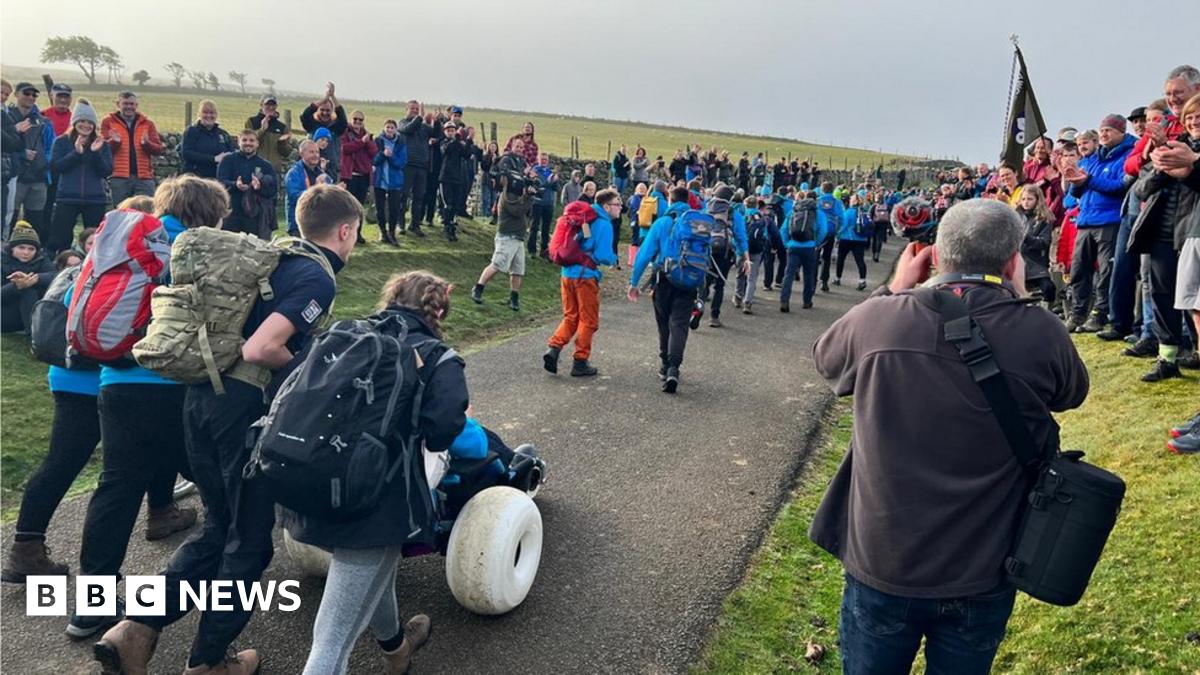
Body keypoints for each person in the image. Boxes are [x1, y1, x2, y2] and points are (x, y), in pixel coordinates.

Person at [810, 199, 1090, 675]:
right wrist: (1017, 296)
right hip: (981, 567)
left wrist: (896, 287)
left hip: (884, 559)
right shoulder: (1040, 332)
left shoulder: (880, 320)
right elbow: (1071, 392)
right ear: (1011, 260)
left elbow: (827, 359)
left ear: (935, 256)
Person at [94, 183, 361, 675]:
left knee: (219, 528)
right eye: (354, 234)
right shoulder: (316, 279)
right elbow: (263, 349)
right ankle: (209, 661)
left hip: (200, 401)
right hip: (243, 414)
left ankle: (133, 629)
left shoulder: (272, 257)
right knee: (248, 542)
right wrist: (312, 373)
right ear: (345, 230)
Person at [69, 179, 230, 639]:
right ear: (206, 216)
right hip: (171, 387)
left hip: (115, 382)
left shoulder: (118, 244)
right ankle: (231, 571)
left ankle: (90, 606)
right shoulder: (189, 249)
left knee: (115, 488)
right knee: (218, 478)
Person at [291, 271, 460, 674]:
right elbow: (442, 432)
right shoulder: (438, 357)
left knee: (371, 570)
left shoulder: (345, 334)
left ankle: (396, 647)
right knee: (331, 640)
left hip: (311, 482)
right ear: (438, 309)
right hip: (373, 500)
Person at [1128, 93, 1200, 383]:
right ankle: (1167, 358)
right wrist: (1162, 168)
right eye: (1190, 117)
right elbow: (1140, 189)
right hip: (1161, 233)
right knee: (1161, 295)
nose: (1194, 121)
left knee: (1192, 300)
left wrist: (1189, 168)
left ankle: (1194, 350)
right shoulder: (1173, 145)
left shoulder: (1191, 154)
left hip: (1191, 235)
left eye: (1199, 116)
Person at [1064, 114, 1136, 333]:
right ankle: (1078, 313)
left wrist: (1088, 180)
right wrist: (1075, 181)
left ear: (1121, 131)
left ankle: (1100, 314)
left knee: (1106, 272)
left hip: (1110, 220)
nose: (1104, 134)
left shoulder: (1126, 156)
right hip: (1085, 220)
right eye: (1102, 130)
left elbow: (1119, 187)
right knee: (1078, 270)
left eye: (1109, 130)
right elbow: (1074, 195)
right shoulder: (1092, 159)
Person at [627, 186, 697, 392]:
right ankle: (675, 368)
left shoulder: (662, 223)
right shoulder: (697, 223)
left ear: (670, 199)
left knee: (664, 322)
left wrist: (634, 283)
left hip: (664, 279)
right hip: (689, 279)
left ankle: (665, 364)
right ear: (689, 200)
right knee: (680, 324)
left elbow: (644, 254)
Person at [543, 188, 619, 377]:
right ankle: (580, 361)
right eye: (618, 204)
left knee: (571, 316)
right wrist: (613, 258)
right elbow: (602, 255)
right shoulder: (603, 224)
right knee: (589, 320)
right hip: (585, 277)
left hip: (567, 273)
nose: (621, 208)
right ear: (606, 206)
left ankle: (554, 348)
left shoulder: (584, 218)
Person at [47, 100, 111, 254]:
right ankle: (62, 265)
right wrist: (76, 153)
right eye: (81, 121)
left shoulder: (101, 144)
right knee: (60, 238)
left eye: (90, 122)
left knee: (96, 239)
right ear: (74, 122)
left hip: (95, 198)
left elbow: (106, 171)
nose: (86, 125)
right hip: (67, 197)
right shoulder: (61, 142)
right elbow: (56, 167)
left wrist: (95, 153)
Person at [472, 159, 535, 310]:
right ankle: (478, 288)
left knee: (518, 269)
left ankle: (514, 298)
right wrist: (529, 198)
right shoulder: (507, 196)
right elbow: (518, 211)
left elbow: (526, 211)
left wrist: (527, 197)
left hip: (518, 237)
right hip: (507, 236)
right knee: (497, 264)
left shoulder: (516, 196)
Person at [8, 82, 55, 237]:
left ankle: (33, 252)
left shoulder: (43, 121)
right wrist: (22, 154)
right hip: (14, 176)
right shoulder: (6, 117)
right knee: (10, 217)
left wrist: (44, 163)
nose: (30, 97)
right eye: (26, 93)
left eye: (34, 95)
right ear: (16, 94)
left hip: (38, 178)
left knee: (35, 220)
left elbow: (51, 147)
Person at [101, 91, 165, 205]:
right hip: (119, 177)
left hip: (144, 177)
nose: (129, 107)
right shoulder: (108, 122)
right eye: (125, 104)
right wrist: (115, 142)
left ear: (136, 105)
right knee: (121, 213)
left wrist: (147, 144)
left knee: (147, 211)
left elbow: (158, 149)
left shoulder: (148, 123)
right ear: (118, 104)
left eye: (131, 104)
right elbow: (102, 150)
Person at [702, 185, 750, 327]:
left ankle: (696, 311)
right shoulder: (734, 214)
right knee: (719, 286)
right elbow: (741, 237)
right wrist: (746, 258)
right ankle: (714, 316)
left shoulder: (706, 208)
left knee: (704, 284)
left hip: (706, 251)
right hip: (724, 253)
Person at [217, 130, 279, 239]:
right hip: (231, 213)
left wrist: (259, 187)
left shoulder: (265, 165)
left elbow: (273, 190)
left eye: (251, 140)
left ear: (257, 143)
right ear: (238, 142)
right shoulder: (227, 160)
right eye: (244, 140)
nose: (248, 143)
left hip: (255, 217)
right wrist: (235, 185)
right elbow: (220, 183)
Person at [1, 222, 56, 334]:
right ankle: (36, 336)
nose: (26, 252)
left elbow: (55, 276)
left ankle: (36, 333)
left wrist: (36, 279)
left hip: (32, 310)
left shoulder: (42, 259)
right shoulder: (2, 261)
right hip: (5, 312)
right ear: (12, 248)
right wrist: (16, 285)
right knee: (27, 291)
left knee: (31, 290)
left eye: (31, 249)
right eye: (21, 248)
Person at [779, 192, 828, 312]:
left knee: (788, 274)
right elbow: (824, 230)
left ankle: (784, 301)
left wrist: (787, 243)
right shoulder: (818, 213)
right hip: (809, 246)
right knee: (809, 274)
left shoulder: (794, 212)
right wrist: (816, 243)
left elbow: (783, 230)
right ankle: (807, 301)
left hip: (793, 246)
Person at [398, 101, 439, 237]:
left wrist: (437, 121)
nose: (415, 111)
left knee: (419, 197)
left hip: (422, 166)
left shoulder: (424, 127)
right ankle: (400, 223)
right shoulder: (402, 123)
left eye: (417, 109)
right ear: (406, 109)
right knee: (403, 195)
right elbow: (410, 129)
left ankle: (415, 225)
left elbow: (436, 134)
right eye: (413, 108)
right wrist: (420, 117)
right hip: (407, 164)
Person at [737, 195, 781, 314]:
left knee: (740, 274)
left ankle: (738, 296)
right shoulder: (764, 218)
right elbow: (774, 234)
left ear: (745, 205)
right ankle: (748, 302)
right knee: (752, 276)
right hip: (757, 249)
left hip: (742, 249)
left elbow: (737, 233)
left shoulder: (742, 216)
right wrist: (774, 247)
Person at [1013, 184, 1056, 306]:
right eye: (1023, 199)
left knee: (1048, 288)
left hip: (1036, 263)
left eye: (1030, 199)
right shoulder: (1015, 216)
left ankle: (1048, 313)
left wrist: (1027, 238)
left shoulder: (1044, 219)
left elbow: (1044, 243)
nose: (1026, 202)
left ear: (1038, 200)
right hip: (1017, 263)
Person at [300, 82, 348, 180]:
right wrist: (325, 98)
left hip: (332, 171)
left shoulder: (336, 127)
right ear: (317, 110)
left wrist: (333, 97)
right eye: (322, 110)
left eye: (328, 110)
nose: (325, 113)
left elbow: (343, 119)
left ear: (332, 111)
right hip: (312, 169)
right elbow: (305, 115)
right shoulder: (312, 125)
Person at [286, 139, 333, 236]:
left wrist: (337, 190)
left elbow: (329, 194)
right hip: (299, 223)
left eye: (317, 152)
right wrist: (316, 188)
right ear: (302, 153)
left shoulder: (321, 173)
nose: (315, 155)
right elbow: (295, 196)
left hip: (318, 223)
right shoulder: (294, 173)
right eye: (311, 152)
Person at [438, 122, 475, 241]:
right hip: (446, 178)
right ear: (445, 132)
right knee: (447, 204)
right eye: (448, 130)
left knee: (455, 205)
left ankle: (452, 227)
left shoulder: (458, 143)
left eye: (453, 130)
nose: (451, 132)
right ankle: (447, 226)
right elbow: (446, 150)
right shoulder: (444, 142)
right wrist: (457, 139)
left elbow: (467, 154)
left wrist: (469, 140)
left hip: (457, 178)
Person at [179, 100, 234, 179]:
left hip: (217, 179)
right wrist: (213, 159)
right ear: (199, 114)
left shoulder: (223, 134)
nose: (208, 115)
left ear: (216, 115)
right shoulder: (191, 131)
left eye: (212, 113)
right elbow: (187, 153)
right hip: (194, 178)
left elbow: (231, 153)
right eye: (205, 112)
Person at [373, 119, 407, 246]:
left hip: (395, 181)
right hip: (379, 181)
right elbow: (374, 160)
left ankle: (392, 233)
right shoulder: (378, 141)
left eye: (392, 127)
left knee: (394, 209)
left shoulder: (401, 143)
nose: (389, 130)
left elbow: (401, 163)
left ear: (396, 129)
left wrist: (391, 156)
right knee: (380, 208)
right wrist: (383, 154)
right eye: (387, 127)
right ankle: (382, 231)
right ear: (384, 128)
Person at [245, 95, 293, 176]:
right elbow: (249, 144)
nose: (271, 107)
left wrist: (282, 143)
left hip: (274, 170)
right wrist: (262, 130)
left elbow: (286, 153)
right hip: (255, 168)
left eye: (273, 105)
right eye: (267, 104)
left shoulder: (282, 127)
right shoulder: (252, 122)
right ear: (261, 105)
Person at [339, 110, 375, 210]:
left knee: (359, 207)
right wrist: (362, 142)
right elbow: (345, 149)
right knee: (348, 206)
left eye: (360, 119)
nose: (358, 121)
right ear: (350, 120)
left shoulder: (366, 134)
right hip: (349, 176)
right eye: (355, 119)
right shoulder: (345, 133)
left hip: (363, 177)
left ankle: (358, 225)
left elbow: (374, 153)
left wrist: (368, 141)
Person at [834, 194, 870, 291]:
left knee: (841, 259)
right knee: (860, 260)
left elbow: (843, 226)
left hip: (847, 238)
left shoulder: (848, 212)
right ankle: (862, 280)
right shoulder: (865, 212)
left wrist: (837, 235)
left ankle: (837, 278)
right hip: (861, 239)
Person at [815, 182, 845, 292]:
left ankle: (813, 280)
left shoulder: (818, 201)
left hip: (818, 231)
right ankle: (824, 281)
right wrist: (838, 231)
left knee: (815, 255)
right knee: (826, 258)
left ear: (822, 190)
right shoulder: (836, 202)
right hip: (831, 231)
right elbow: (841, 218)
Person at [529, 153, 559, 258]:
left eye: (546, 160)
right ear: (538, 160)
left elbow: (555, 189)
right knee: (534, 226)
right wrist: (549, 181)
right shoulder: (534, 171)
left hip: (548, 203)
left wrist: (555, 181)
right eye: (542, 159)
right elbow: (538, 185)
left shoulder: (550, 172)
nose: (544, 161)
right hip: (537, 202)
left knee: (546, 228)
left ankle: (544, 251)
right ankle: (532, 250)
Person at [480, 141, 501, 223]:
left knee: (494, 199)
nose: (493, 148)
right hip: (486, 178)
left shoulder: (499, 158)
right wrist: (491, 161)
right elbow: (484, 167)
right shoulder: (485, 156)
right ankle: (485, 214)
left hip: (495, 180)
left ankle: (492, 216)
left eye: (494, 147)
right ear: (489, 147)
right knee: (485, 198)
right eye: (491, 146)